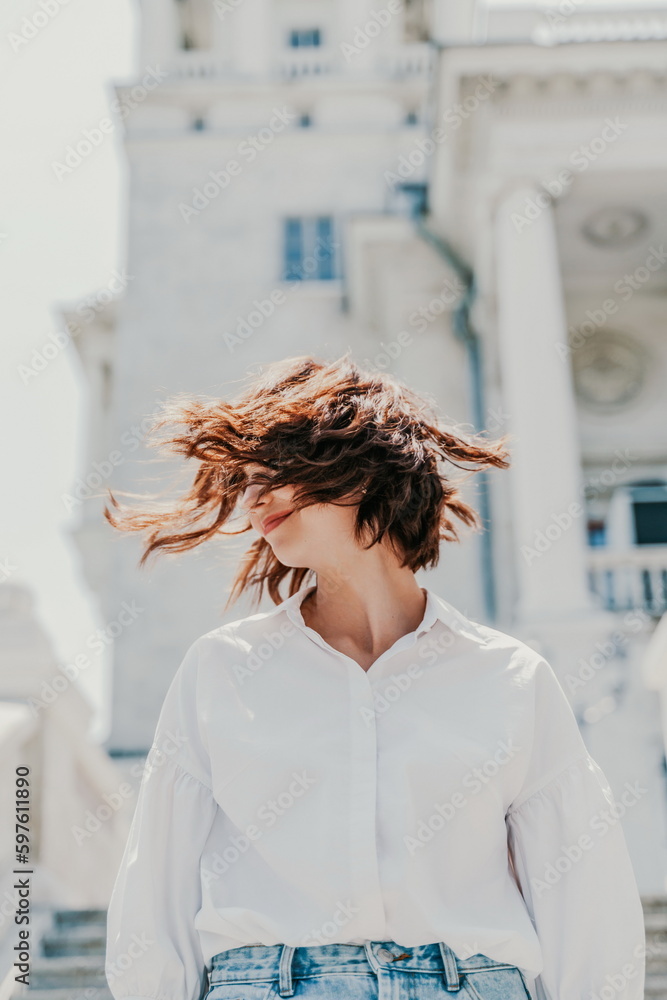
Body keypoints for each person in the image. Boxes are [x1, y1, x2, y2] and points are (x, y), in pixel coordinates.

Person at [103, 354, 646, 1000]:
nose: (254, 499)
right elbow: (153, 898)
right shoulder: (220, 671)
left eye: (274, 468)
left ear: (362, 461)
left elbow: (583, 902)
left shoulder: (509, 679)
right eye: (244, 482)